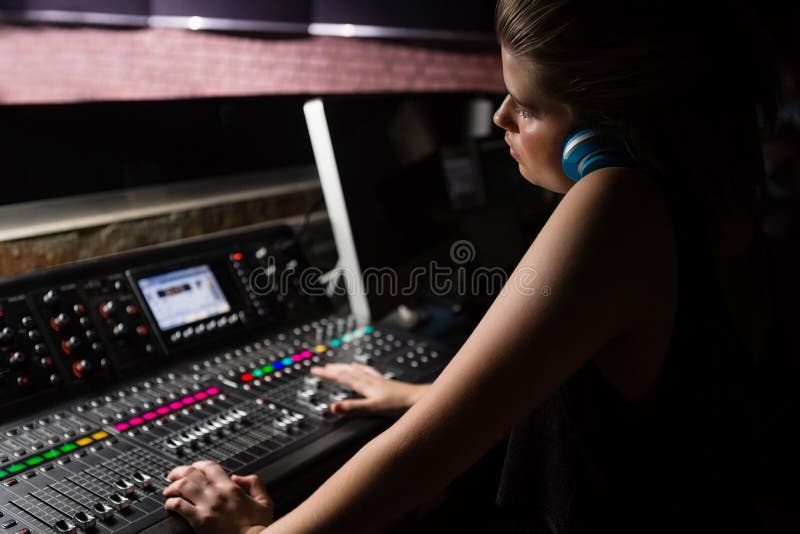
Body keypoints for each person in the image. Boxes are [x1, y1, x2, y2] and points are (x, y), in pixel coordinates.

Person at [161, 0, 788, 532]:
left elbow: (416, 463)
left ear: (601, 136)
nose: (500, 118)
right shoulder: (714, 209)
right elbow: (597, 397)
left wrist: (255, 530)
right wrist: (422, 395)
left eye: (528, 105)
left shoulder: (616, 204)